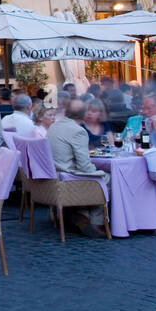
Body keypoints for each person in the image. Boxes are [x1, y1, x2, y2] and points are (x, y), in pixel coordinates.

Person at [47, 98, 110, 236]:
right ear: (83, 115)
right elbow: (84, 166)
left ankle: (78, 214)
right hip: (68, 178)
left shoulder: (54, 126)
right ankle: (96, 222)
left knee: (100, 175)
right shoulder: (78, 131)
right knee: (110, 179)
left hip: (53, 177)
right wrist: (99, 172)